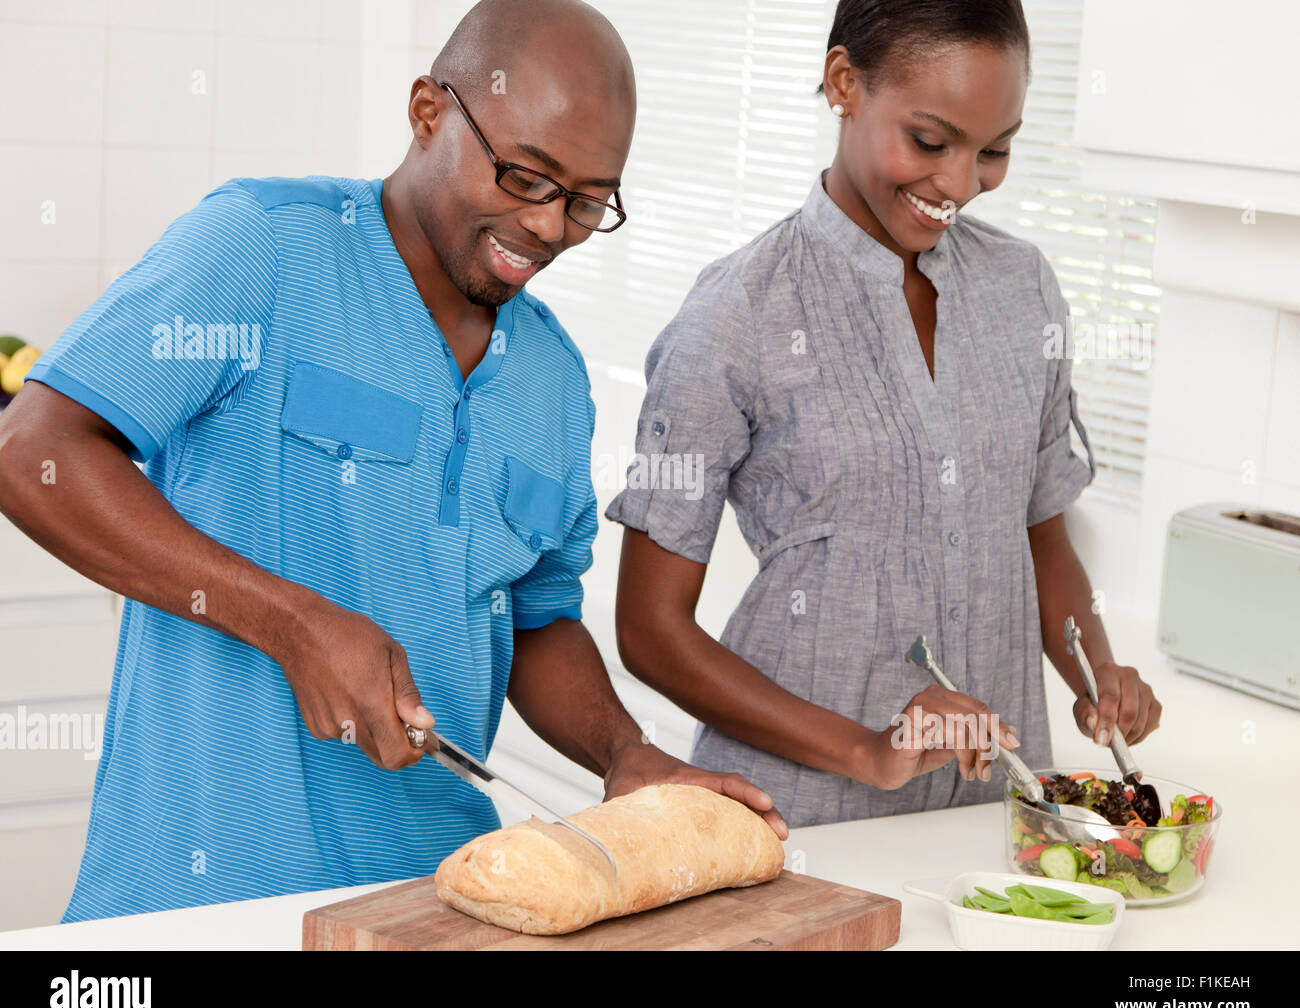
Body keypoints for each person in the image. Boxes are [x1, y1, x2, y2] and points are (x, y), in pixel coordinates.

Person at [0, 0, 783, 923]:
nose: (546, 226)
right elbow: (33, 453)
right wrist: (294, 623)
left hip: (433, 903)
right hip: (197, 903)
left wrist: (623, 754)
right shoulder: (263, 250)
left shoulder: (554, 380)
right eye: (527, 176)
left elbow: (537, 620)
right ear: (427, 112)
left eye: (585, 202)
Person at [606, 0, 1161, 829]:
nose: (960, 183)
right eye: (931, 142)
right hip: (800, 820)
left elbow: (1040, 530)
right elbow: (648, 630)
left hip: (996, 812)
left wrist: (1098, 671)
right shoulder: (735, 316)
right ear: (843, 83)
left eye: (995, 150)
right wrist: (868, 750)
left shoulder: (1023, 290)